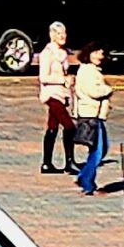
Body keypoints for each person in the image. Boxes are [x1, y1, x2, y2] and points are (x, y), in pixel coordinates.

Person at [37, 21, 78, 174]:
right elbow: (43, 77)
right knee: (69, 126)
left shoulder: (64, 53)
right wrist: (62, 80)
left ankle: (47, 163)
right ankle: (69, 161)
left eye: (64, 33)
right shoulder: (47, 54)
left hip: (62, 94)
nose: (63, 36)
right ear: (52, 35)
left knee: (53, 127)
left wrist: (68, 80)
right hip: (51, 94)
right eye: (59, 34)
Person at [73, 43, 113, 196]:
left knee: (99, 149)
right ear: (88, 53)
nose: (99, 56)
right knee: (98, 150)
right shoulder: (88, 71)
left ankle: (84, 177)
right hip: (92, 115)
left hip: (94, 115)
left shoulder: (89, 70)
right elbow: (94, 91)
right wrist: (108, 89)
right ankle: (87, 183)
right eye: (96, 52)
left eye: (101, 53)